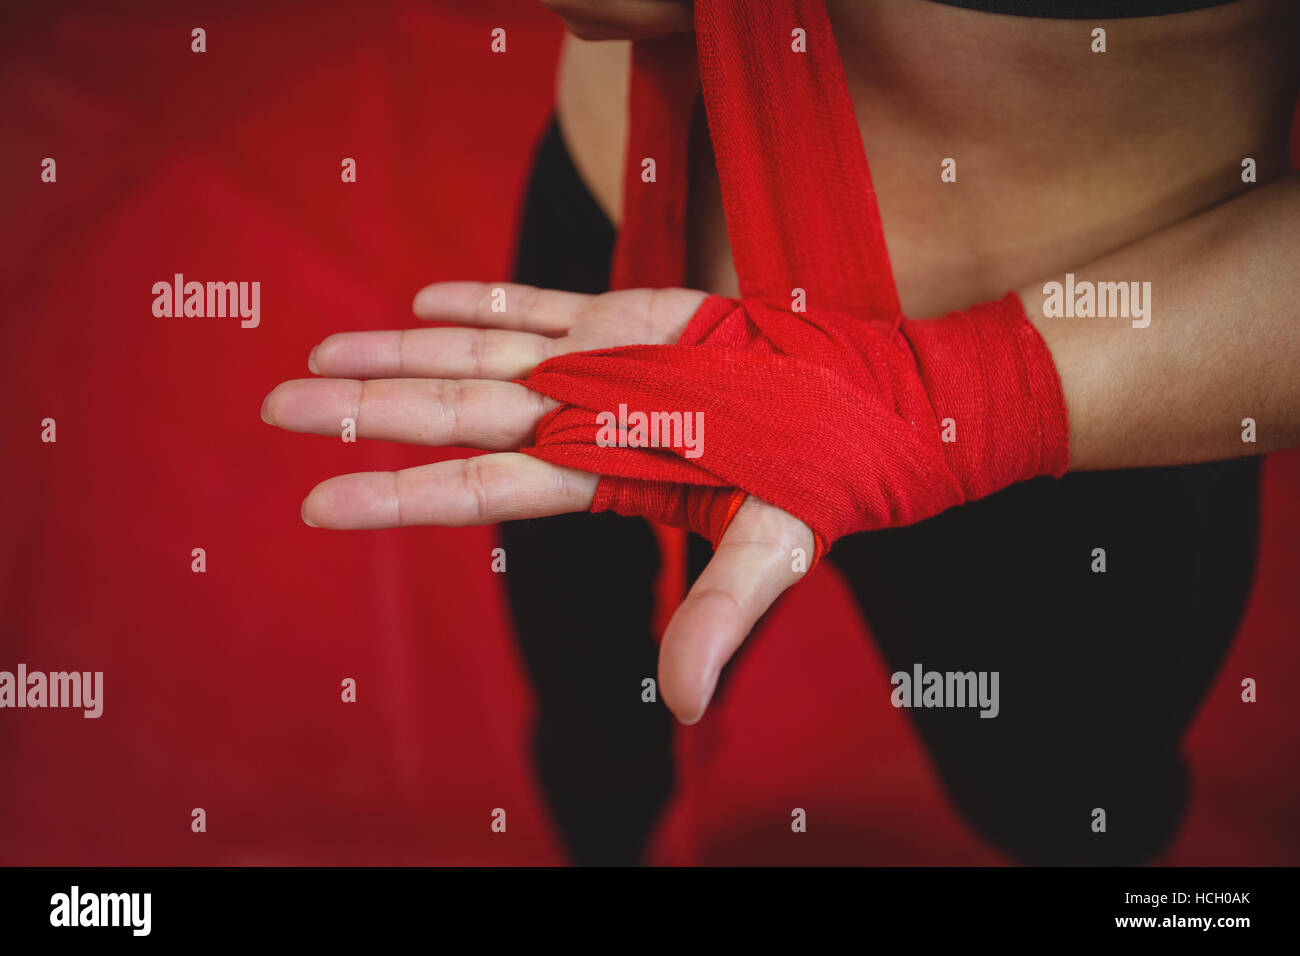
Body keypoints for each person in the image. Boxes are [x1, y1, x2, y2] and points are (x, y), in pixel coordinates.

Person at [262, 0, 1300, 864]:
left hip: (1091, 399)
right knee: (595, 728)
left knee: (1065, 807)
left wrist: (970, 395)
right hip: (616, 305)